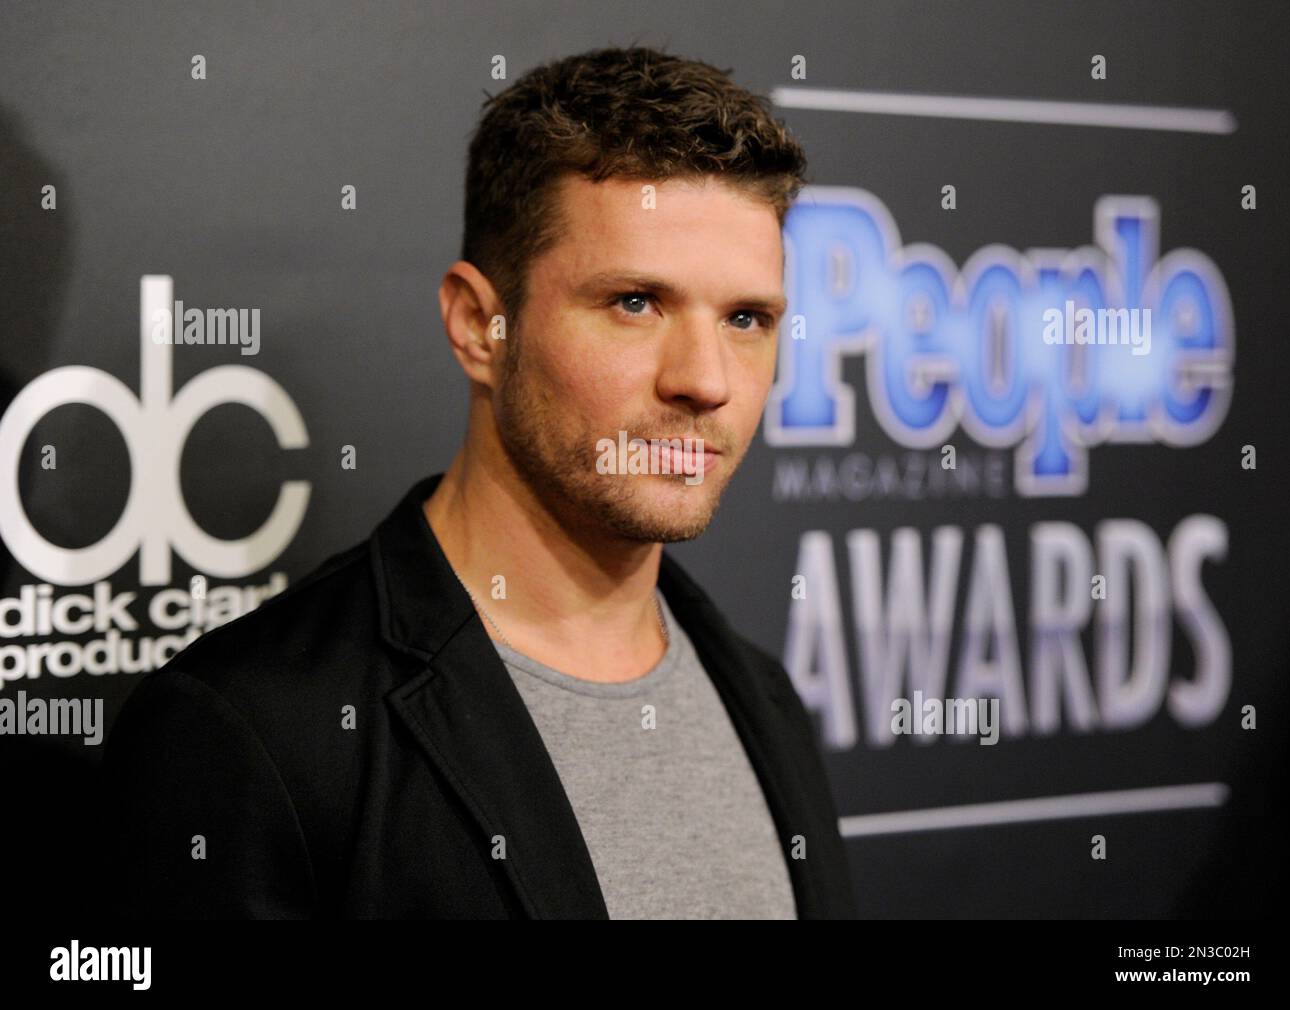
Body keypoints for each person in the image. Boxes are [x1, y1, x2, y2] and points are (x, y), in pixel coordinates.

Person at [98, 45, 858, 919]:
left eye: (746, 318)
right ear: (477, 326)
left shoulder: (763, 696)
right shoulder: (256, 731)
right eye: (636, 302)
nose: (705, 379)